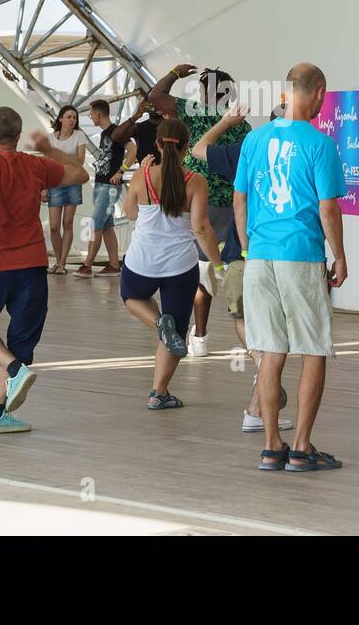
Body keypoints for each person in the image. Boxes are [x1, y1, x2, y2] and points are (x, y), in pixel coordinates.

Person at [234, 63, 346, 473]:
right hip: (300, 254)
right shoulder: (320, 144)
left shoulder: (254, 139)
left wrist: (250, 249)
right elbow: (328, 207)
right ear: (317, 92)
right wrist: (340, 256)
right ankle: (300, 447)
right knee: (313, 348)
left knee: (270, 351)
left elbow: (239, 201)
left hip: (260, 257)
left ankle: (270, 446)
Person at [0, 107, 89, 434]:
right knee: (20, 341)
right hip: (32, 266)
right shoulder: (36, 163)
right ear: (18, 135)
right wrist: (49, 149)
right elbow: (81, 175)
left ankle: (14, 371)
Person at [192, 102, 294, 435]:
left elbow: (199, 149)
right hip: (280, 253)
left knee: (248, 323)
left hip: (244, 253)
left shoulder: (248, 147)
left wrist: (225, 122)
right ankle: (259, 396)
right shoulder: (303, 147)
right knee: (271, 336)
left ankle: (257, 402)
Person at [121, 118, 224, 410]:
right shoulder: (195, 182)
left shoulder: (142, 177)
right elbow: (202, 229)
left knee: (132, 297)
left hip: (141, 260)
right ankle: (159, 392)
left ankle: (157, 322)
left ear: (156, 145)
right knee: (178, 330)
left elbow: (130, 213)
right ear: (186, 148)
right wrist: (218, 266)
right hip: (180, 266)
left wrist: (140, 174)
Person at [149, 64, 251, 356]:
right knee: (220, 268)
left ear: (205, 91)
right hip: (231, 207)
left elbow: (156, 96)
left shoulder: (193, 112)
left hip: (195, 201)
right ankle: (236, 324)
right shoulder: (244, 127)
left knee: (195, 271)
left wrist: (175, 74)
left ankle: (198, 334)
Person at [73, 99, 135, 278]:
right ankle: (114, 265)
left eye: (91, 114)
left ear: (98, 115)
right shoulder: (104, 134)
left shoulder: (117, 132)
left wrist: (120, 172)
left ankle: (87, 265)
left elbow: (133, 150)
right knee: (106, 226)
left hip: (109, 186)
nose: (91, 117)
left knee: (96, 223)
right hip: (101, 184)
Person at [44, 104, 86, 274]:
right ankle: (58, 259)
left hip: (72, 183)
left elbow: (81, 160)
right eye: (68, 117)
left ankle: (62, 262)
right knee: (54, 226)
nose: (72, 120)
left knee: (67, 223)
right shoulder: (50, 138)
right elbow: (47, 164)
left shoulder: (79, 136)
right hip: (54, 183)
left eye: (74, 118)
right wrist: (43, 187)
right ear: (60, 118)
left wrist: (58, 160)